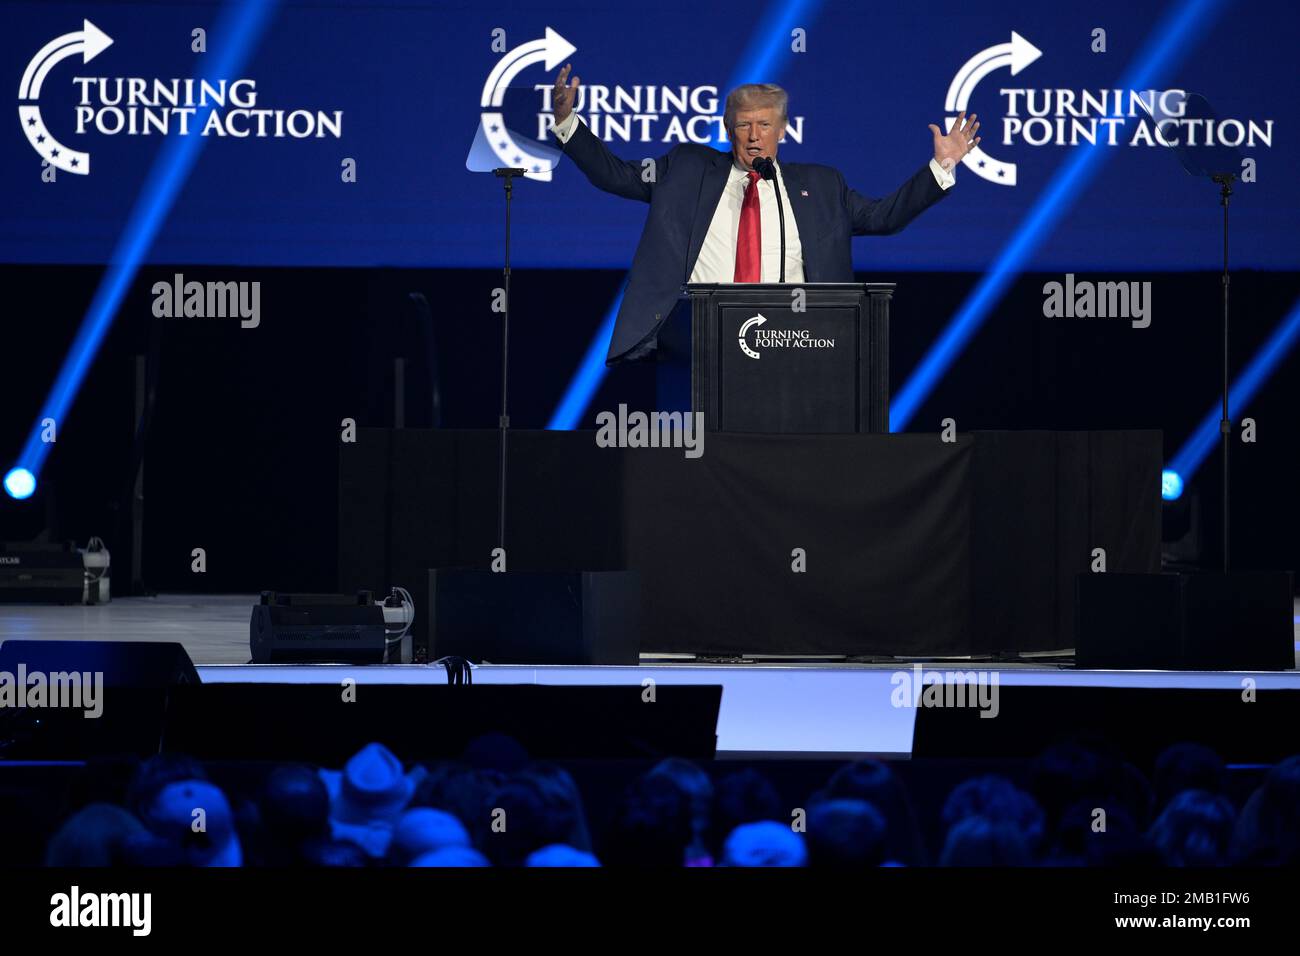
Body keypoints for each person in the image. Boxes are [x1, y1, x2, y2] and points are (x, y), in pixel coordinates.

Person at [550, 67, 978, 364]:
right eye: (743, 125)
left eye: (765, 125)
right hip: (701, 336)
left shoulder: (823, 186)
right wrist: (567, 122)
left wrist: (940, 168)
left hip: (795, 338)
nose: (754, 136)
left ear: (784, 129)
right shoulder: (686, 169)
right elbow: (617, 176)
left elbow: (885, 217)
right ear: (726, 128)